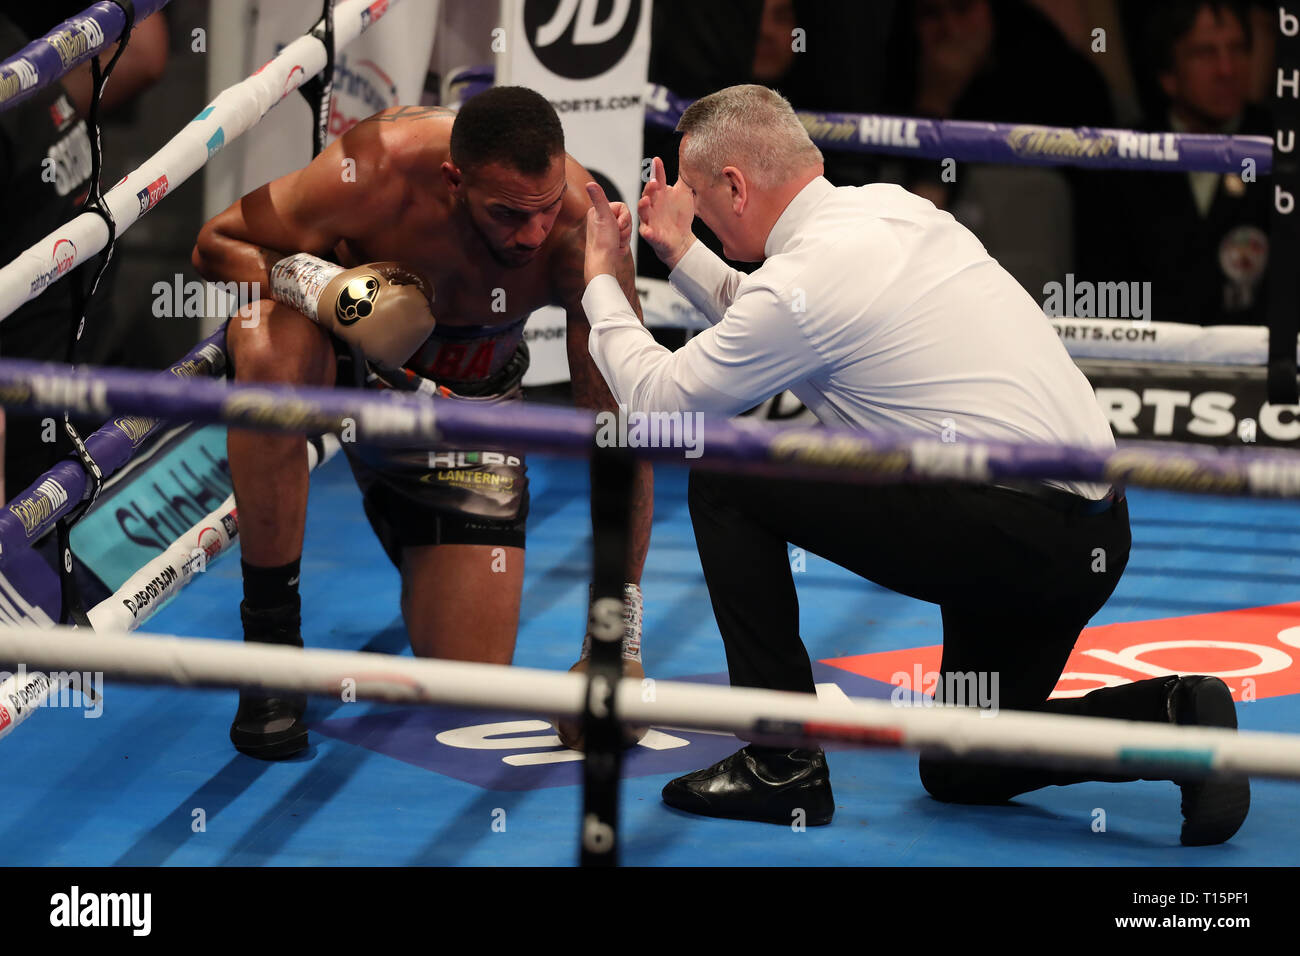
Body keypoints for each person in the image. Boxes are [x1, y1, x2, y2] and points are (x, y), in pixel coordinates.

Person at [579, 83, 1249, 845]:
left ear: (734, 185)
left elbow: (663, 407)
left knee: (728, 472)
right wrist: (682, 250)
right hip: (1088, 534)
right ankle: (1178, 717)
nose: (693, 212)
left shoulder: (806, 281)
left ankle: (779, 762)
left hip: (1005, 528)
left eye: (698, 198)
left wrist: (600, 280)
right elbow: (779, 318)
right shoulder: (890, 210)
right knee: (964, 763)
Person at [192, 86, 653, 760]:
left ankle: (421, 536)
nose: (531, 234)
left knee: (468, 692)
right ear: (453, 181)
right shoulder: (377, 172)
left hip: (469, 422)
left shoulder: (581, 236)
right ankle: (271, 649)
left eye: (544, 210)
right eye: (507, 214)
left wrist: (617, 640)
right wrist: (328, 292)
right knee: (264, 337)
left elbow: (617, 436)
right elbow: (217, 242)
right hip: (347, 382)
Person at [1092, 1, 1270, 326]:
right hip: (1148, 364)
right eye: (1205, 53)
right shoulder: (1123, 157)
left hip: (1259, 363)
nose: (1226, 70)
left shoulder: (1279, 151)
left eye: (1237, 49)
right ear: (1168, 75)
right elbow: (1104, 293)